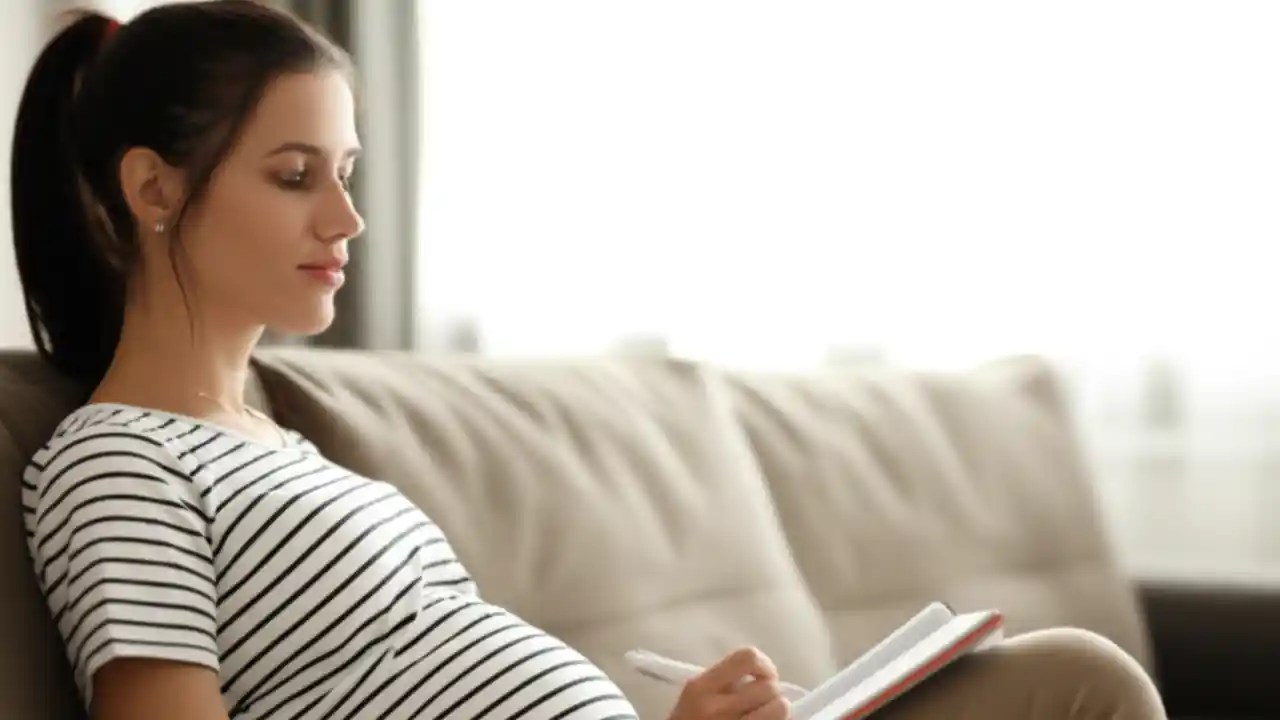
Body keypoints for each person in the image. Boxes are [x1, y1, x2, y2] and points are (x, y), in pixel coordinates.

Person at [11, 3, 1166, 719]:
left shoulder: (283, 447)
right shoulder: (119, 463)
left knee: (1074, 677)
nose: (347, 220)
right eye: (295, 174)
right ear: (154, 187)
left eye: (349, 171)